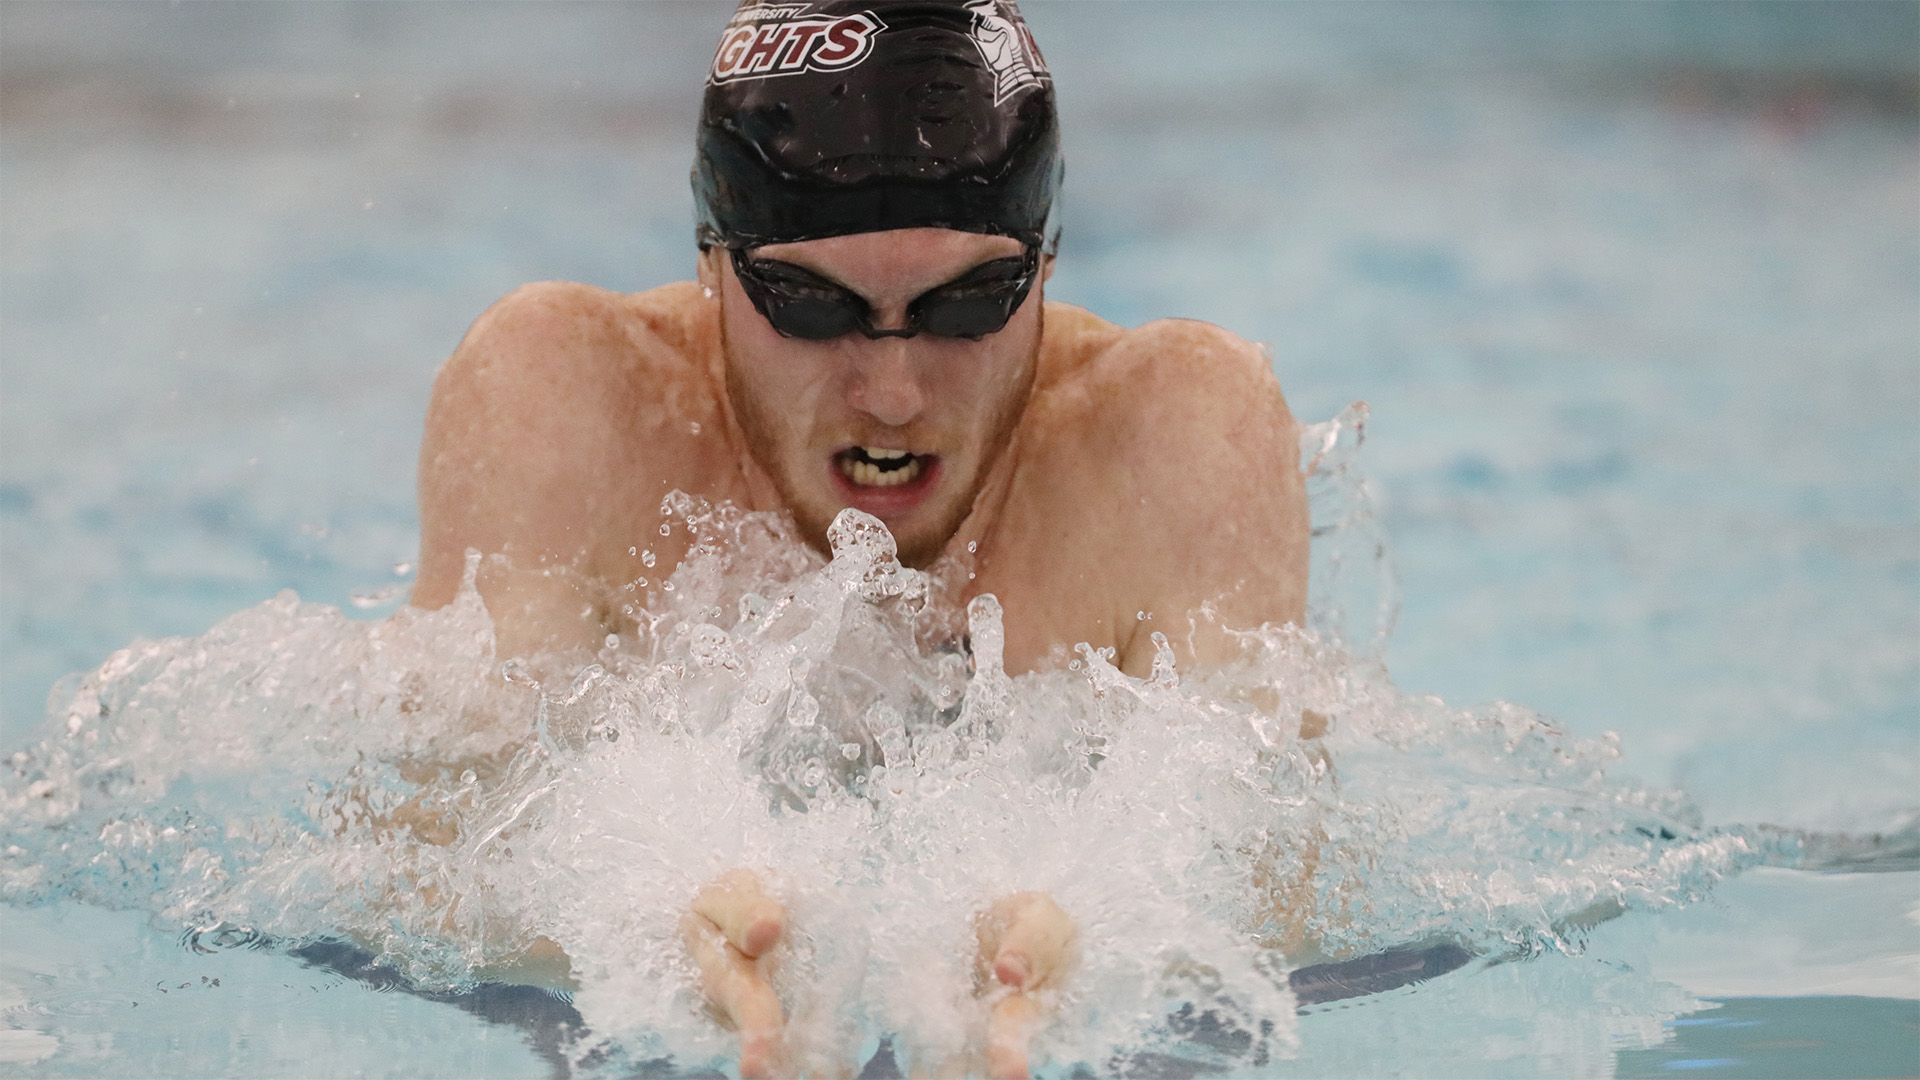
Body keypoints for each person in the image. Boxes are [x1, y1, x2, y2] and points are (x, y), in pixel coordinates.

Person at [409, 1, 1308, 1075]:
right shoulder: (572, 401)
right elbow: (434, 843)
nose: (891, 392)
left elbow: (1272, 876)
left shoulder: (1176, 431)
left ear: (1047, 266)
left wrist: (1113, 941)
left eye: (968, 303)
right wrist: (639, 929)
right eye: (809, 305)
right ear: (711, 262)